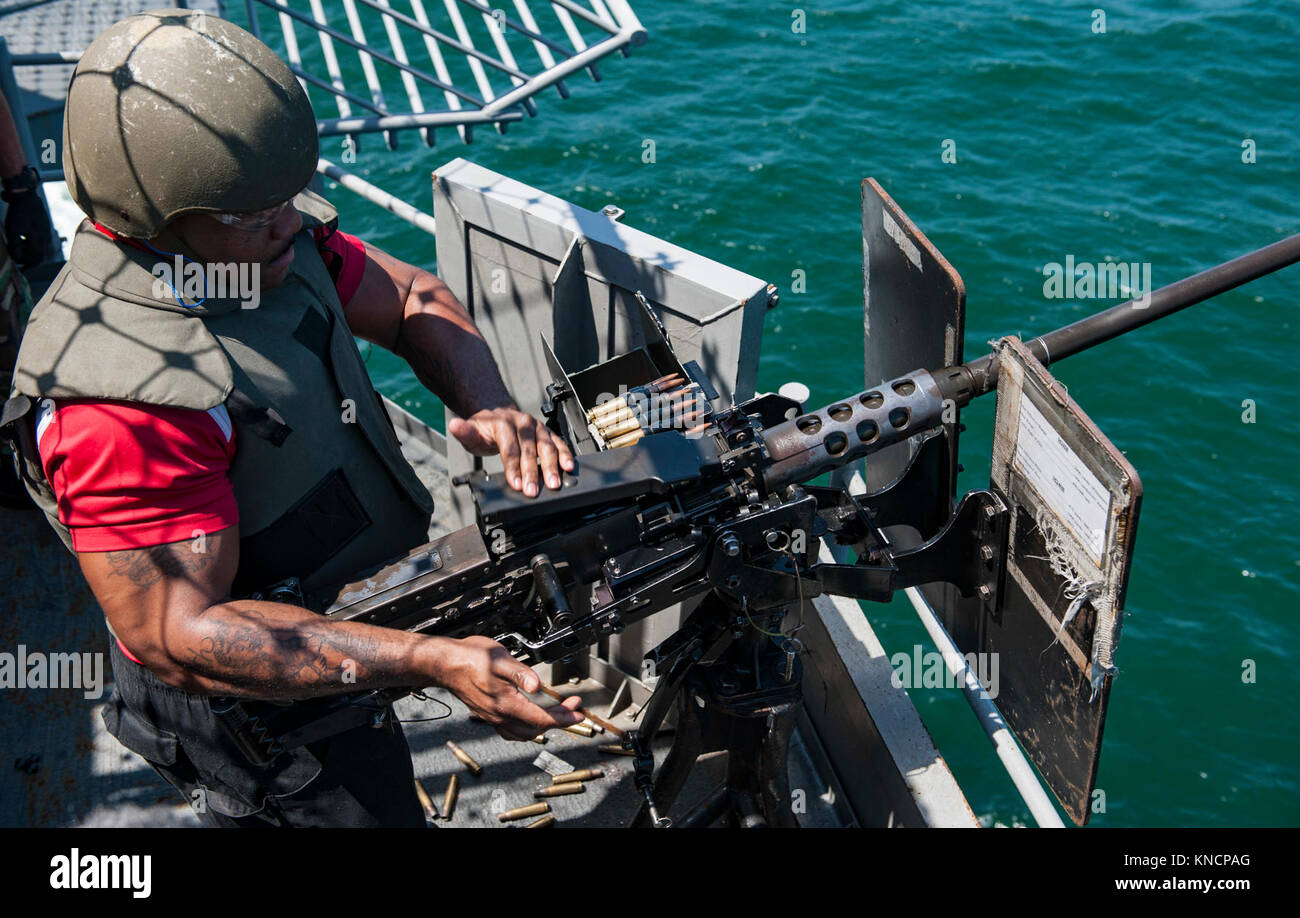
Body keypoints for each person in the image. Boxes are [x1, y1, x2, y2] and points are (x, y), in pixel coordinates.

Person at [2, 8, 583, 827]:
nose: (289, 223)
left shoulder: (255, 244)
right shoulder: (120, 407)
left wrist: (488, 403)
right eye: (254, 213)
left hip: (336, 612)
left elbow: (412, 297)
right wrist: (425, 659)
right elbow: (180, 634)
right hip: (244, 709)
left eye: (285, 199)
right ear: (155, 220)